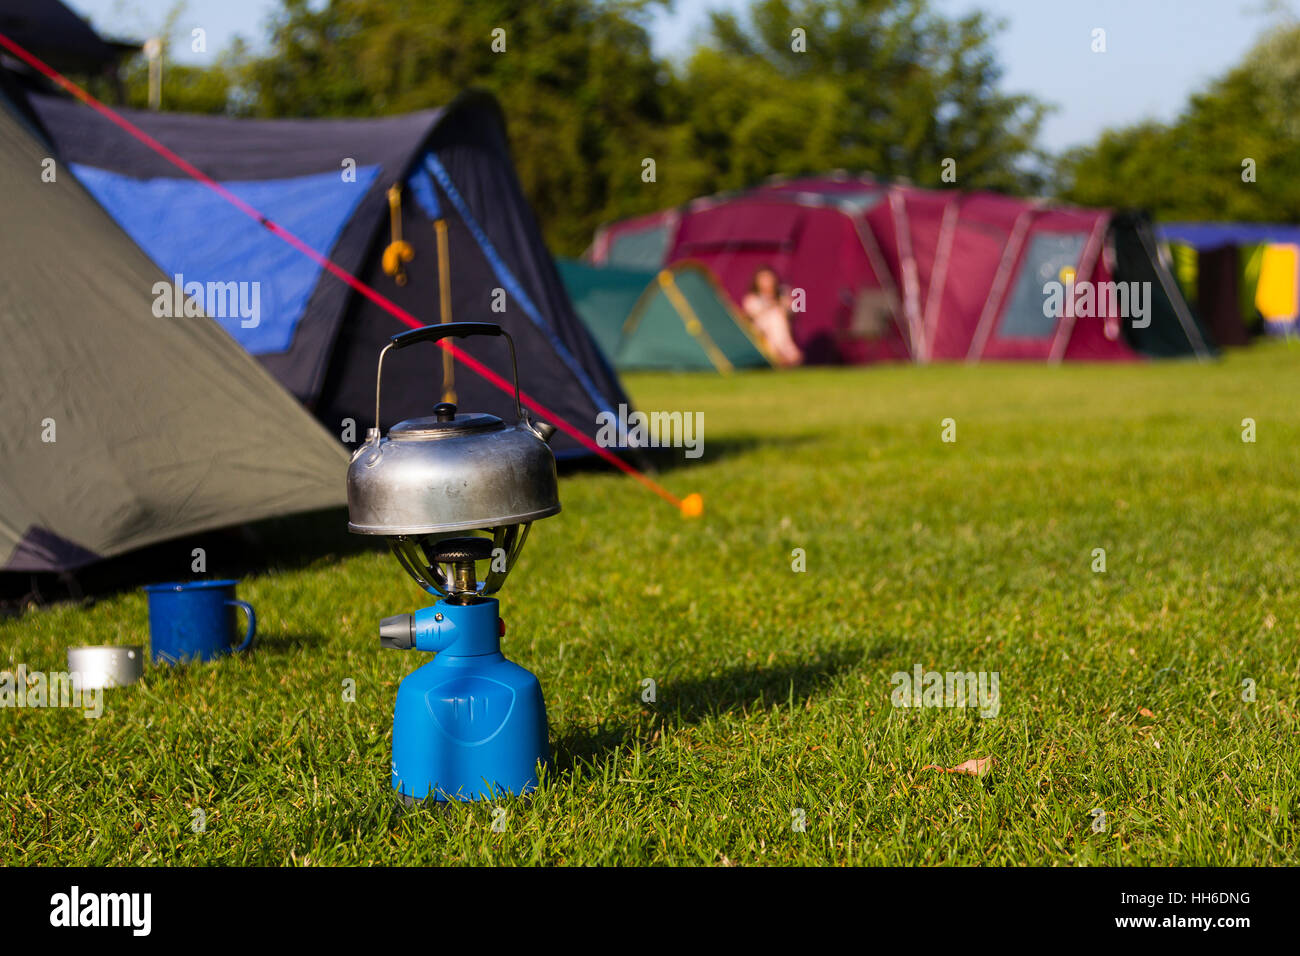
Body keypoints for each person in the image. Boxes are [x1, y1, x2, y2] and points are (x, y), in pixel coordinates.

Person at [741, 266, 804, 366]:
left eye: (769, 279)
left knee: (776, 317)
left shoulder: (782, 295)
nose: (767, 282)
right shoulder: (752, 299)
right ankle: (784, 354)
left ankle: (780, 354)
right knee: (774, 317)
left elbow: (791, 312)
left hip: (778, 335)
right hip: (761, 336)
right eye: (763, 279)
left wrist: (783, 301)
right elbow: (752, 316)